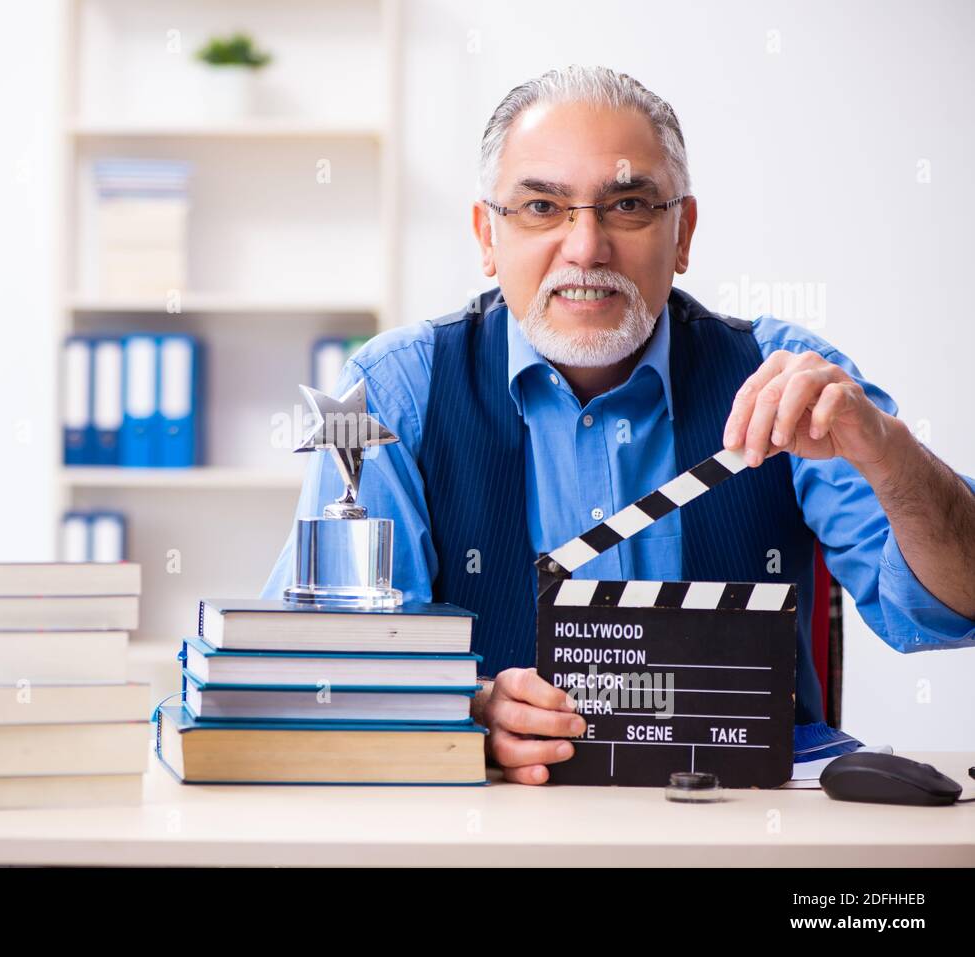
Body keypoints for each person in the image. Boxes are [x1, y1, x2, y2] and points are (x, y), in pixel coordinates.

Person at [262, 66, 975, 785]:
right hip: (492, 832)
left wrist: (890, 454)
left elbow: (949, 610)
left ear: (683, 230)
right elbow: (318, 672)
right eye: (542, 206)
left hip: (746, 829)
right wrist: (460, 711)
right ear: (487, 234)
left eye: (627, 203)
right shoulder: (394, 393)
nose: (585, 248)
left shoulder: (787, 378)